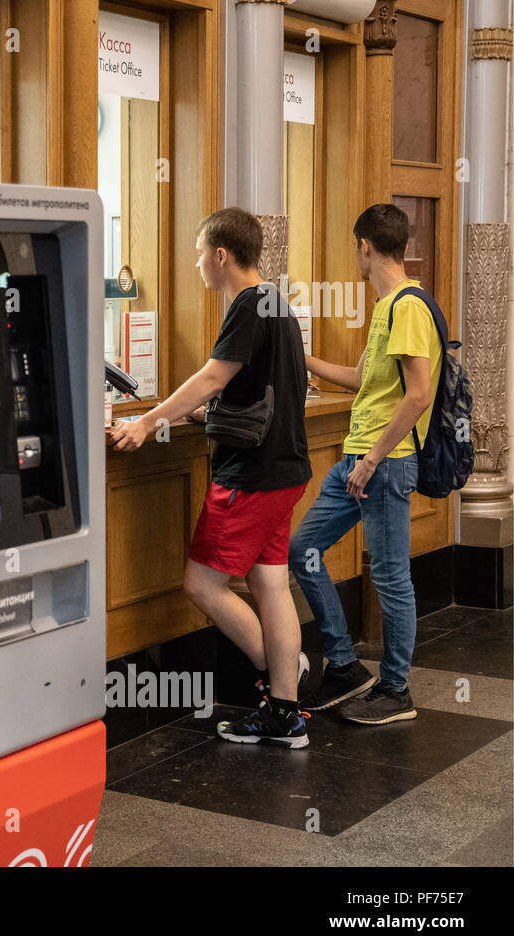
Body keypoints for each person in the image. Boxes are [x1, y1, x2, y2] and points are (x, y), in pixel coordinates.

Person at [111, 207, 312, 748]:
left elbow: (213, 375)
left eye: (200, 254)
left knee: (201, 583)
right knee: (270, 583)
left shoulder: (248, 304)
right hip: (285, 467)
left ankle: (282, 676)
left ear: (221, 255)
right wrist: (209, 414)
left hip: (250, 476)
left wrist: (150, 419)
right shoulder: (276, 301)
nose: (198, 264)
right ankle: (285, 709)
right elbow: (256, 391)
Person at [290, 203, 442, 725]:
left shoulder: (409, 307)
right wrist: (302, 358)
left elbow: (418, 395)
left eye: (355, 248)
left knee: (391, 576)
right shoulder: (386, 307)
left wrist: (373, 458)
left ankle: (397, 690)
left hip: (383, 462)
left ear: (366, 247)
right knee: (303, 548)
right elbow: (362, 381)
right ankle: (346, 666)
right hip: (360, 459)